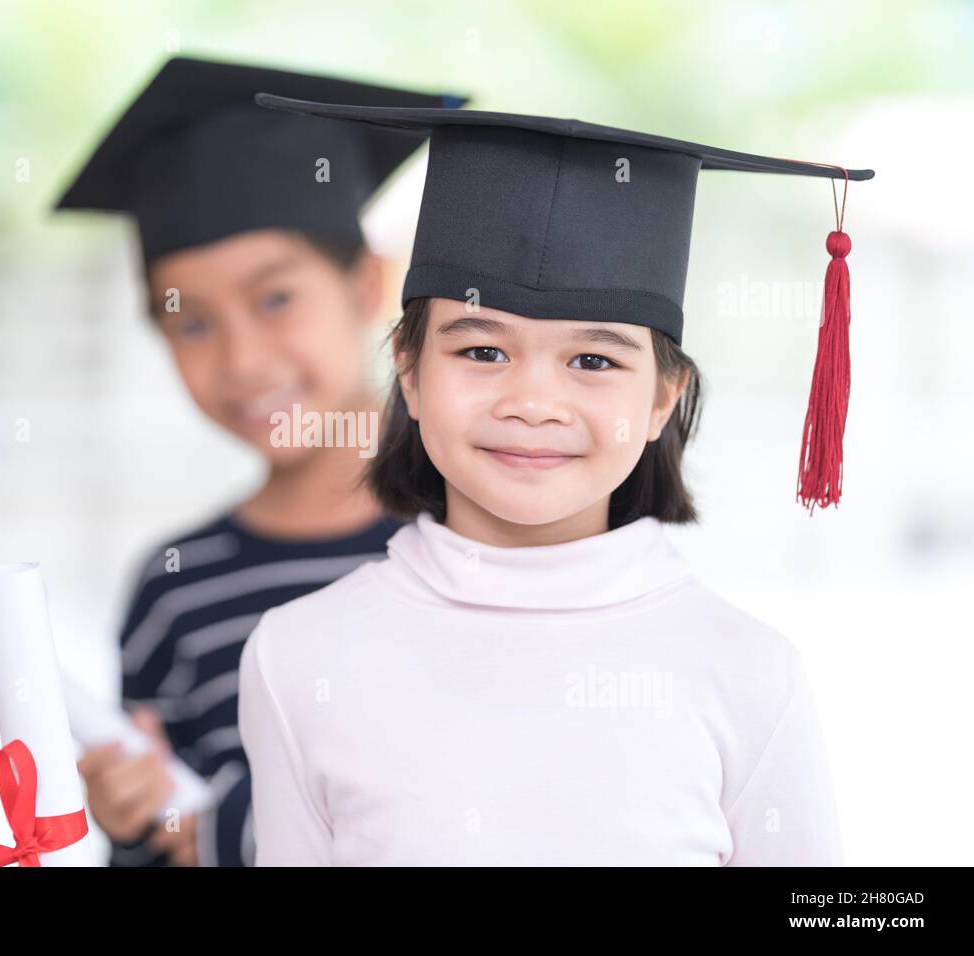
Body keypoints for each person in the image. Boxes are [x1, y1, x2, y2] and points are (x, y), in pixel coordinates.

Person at [238, 95, 872, 864]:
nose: (533, 404)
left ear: (662, 399)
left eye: (594, 361)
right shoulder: (300, 656)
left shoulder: (750, 673)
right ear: (407, 371)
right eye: (481, 352)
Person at [53, 57, 465, 866]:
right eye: (191, 322)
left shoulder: (489, 534)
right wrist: (137, 822)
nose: (242, 360)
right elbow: (161, 844)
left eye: (275, 299)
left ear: (364, 286)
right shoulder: (176, 587)